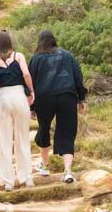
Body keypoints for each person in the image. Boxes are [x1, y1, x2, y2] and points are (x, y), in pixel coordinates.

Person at [28, 30, 87, 184]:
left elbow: (30, 83)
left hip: (44, 98)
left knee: (44, 128)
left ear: (40, 42)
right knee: (67, 132)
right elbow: (77, 76)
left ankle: (45, 166)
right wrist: (82, 98)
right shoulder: (67, 55)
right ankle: (67, 171)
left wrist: (32, 107)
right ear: (54, 40)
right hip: (67, 96)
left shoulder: (36, 59)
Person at [0, 30, 36, 191]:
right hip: (18, 96)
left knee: (4, 140)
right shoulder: (18, 56)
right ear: (9, 42)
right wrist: (31, 91)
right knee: (22, 137)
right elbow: (26, 74)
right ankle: (26, 177)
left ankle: (8, 180)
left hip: (2, 98)